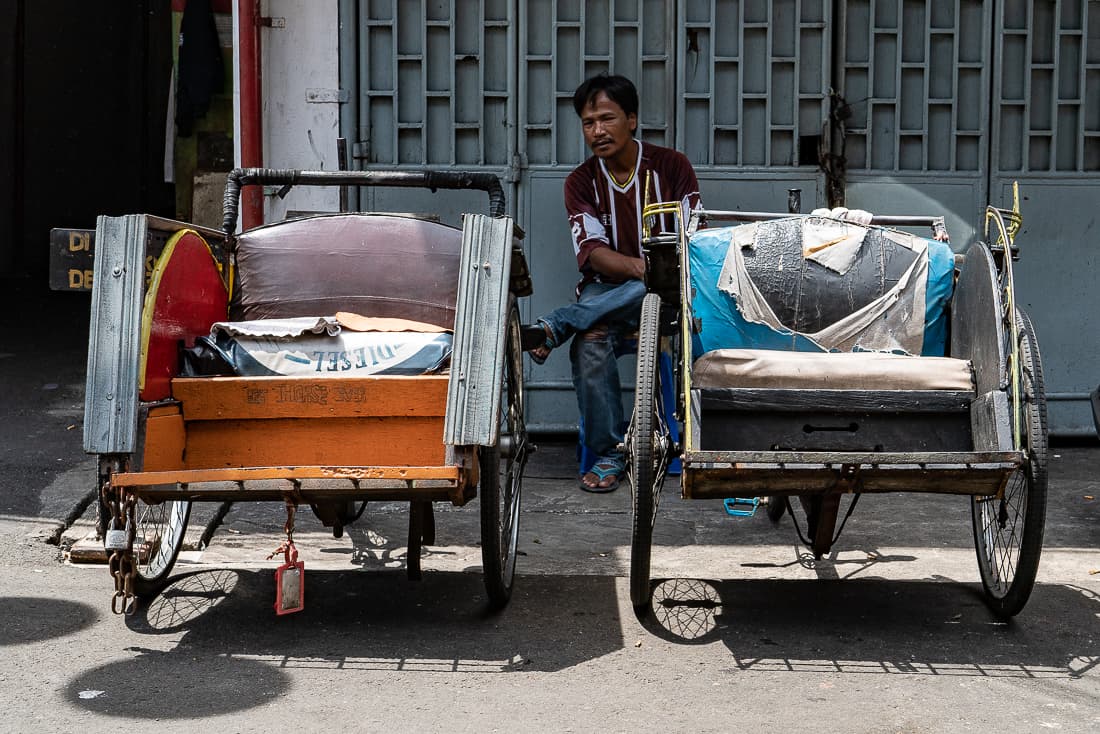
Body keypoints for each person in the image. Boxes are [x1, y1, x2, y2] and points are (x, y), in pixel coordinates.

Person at [521, 74, 701, 492]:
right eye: (588, 122)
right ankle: (609, 452)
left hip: (669, 289)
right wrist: (643, 269)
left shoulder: (672, 167)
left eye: (607, 118)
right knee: (591, 341)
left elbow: (694, 239)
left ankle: (559, 323)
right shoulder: (581, 182)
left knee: (648, 289)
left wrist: (653, 274)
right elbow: (593, 254)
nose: (597, 131)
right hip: (607, 292)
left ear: (632, 119)